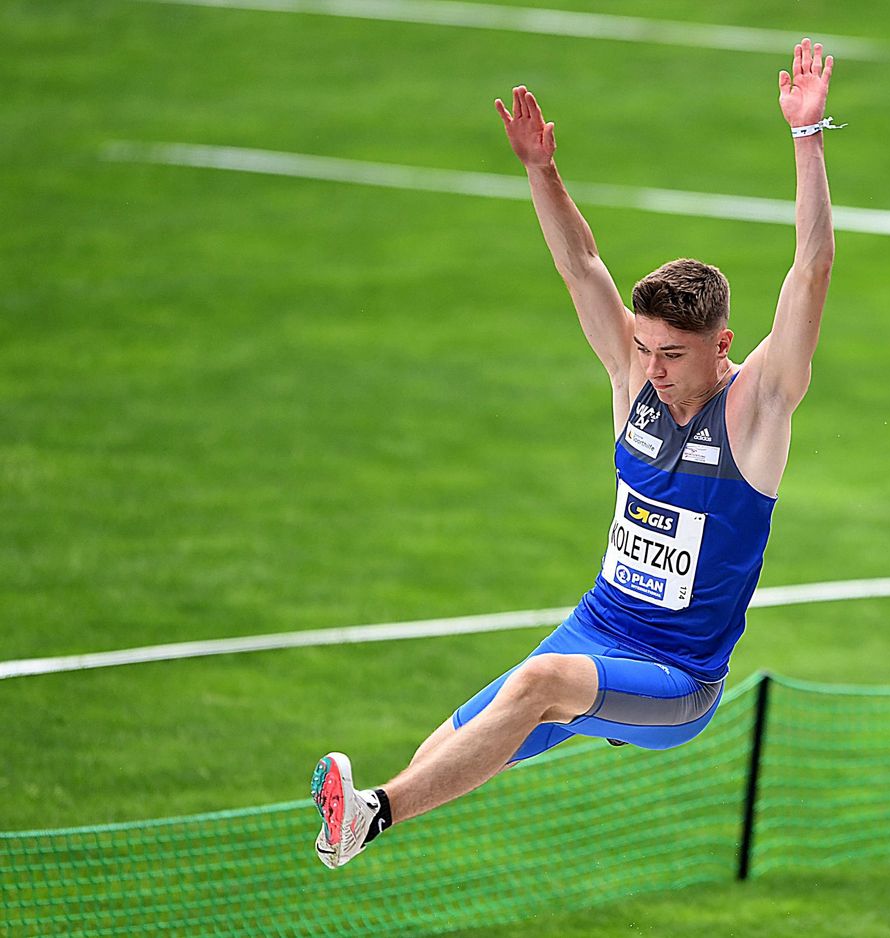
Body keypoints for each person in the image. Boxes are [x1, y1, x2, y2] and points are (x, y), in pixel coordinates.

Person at [310, 38, 838, 869]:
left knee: (534, 686)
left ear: (722, 344)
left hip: (677, 678)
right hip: (599, 626)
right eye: (645, 349)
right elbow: (582, 265)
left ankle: (368, 817)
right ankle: (367, 824)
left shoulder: (759, 407)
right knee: (451, 736)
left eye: (671, 355)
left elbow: (810, 271)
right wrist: (539, 170)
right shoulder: (634, 380)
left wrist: (808, 138)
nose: (651, 369)